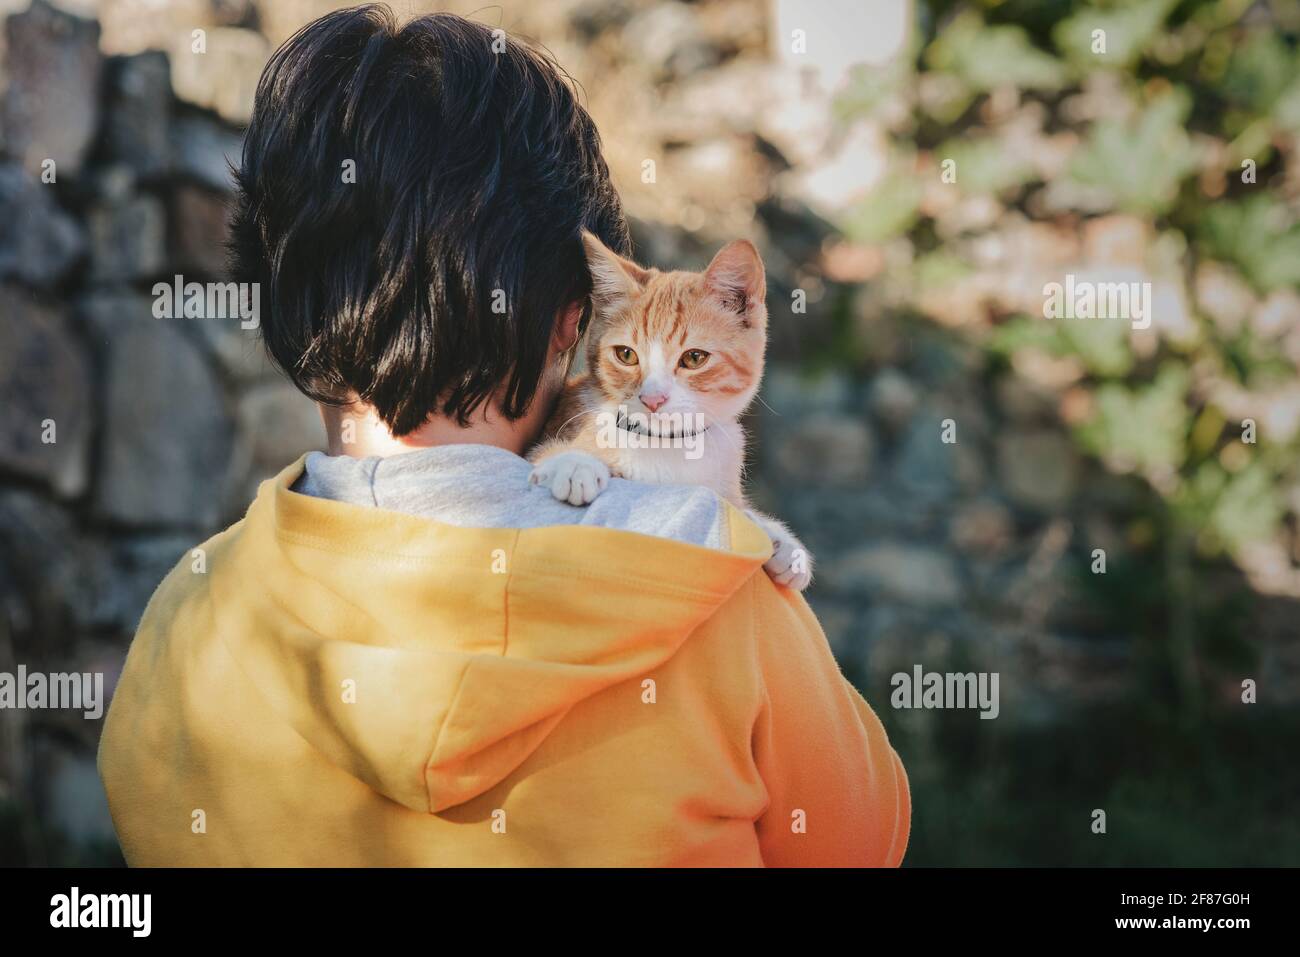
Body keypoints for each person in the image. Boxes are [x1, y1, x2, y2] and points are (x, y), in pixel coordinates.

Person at [96, 4, 909, 867]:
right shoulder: (718, 597)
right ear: (572, 326)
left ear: (278, 297)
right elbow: (863, 840)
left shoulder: (184, 627)